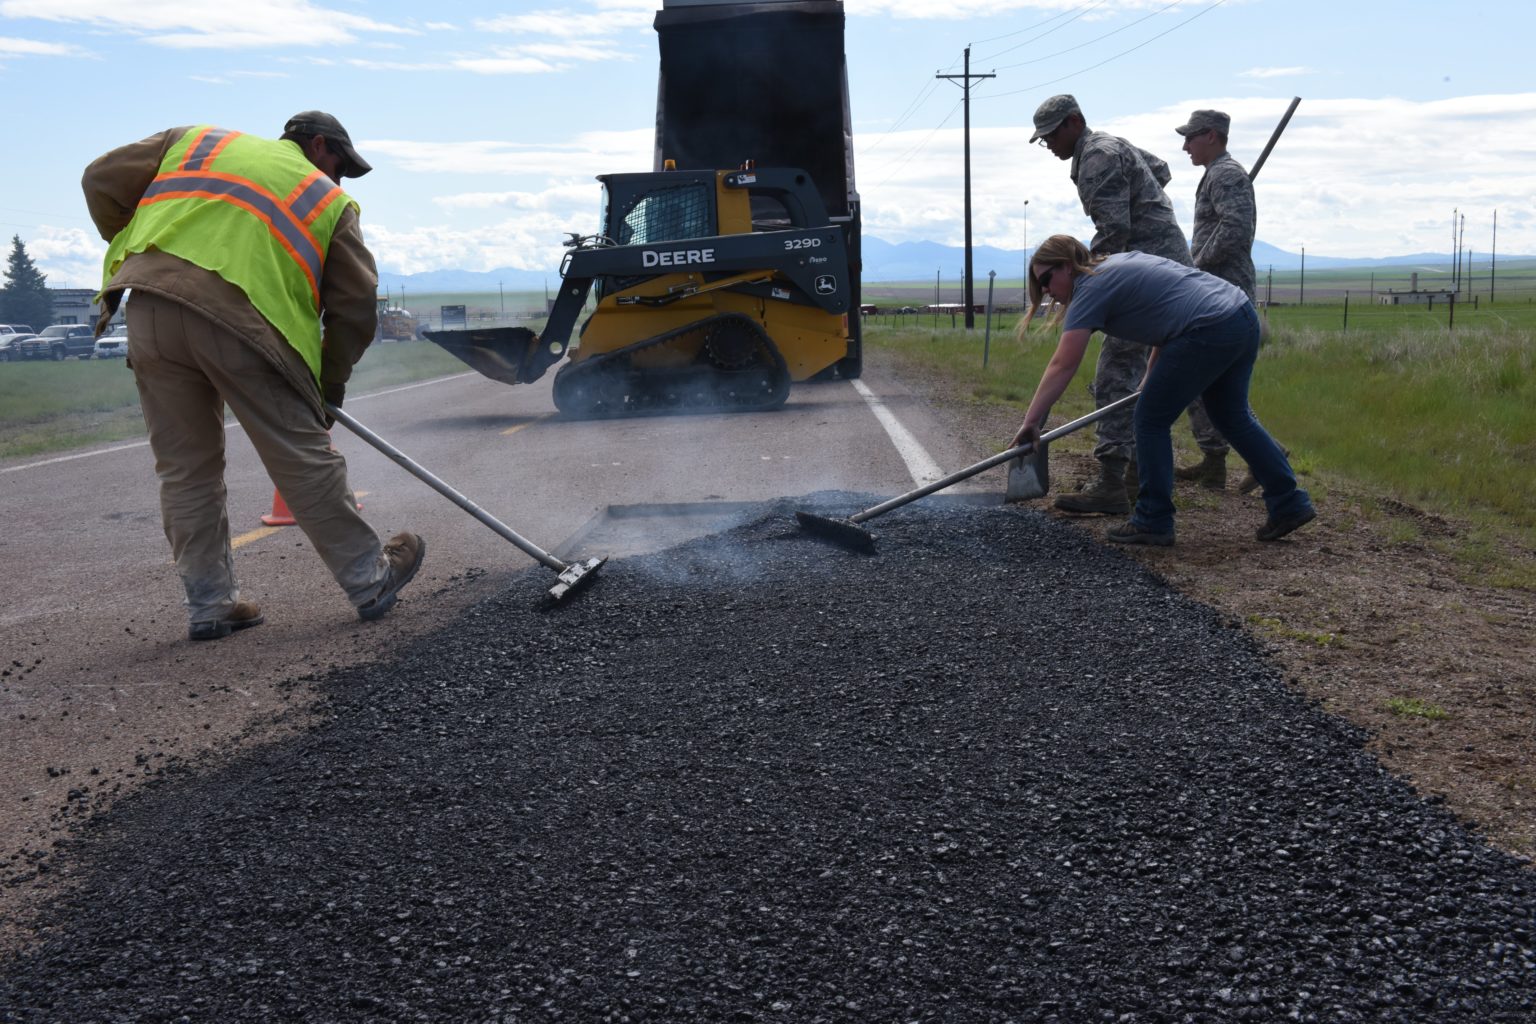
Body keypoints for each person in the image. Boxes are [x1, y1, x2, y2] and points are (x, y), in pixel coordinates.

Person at [82, 112, 425, 641]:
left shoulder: (193, 142)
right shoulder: (327, 200)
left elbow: (99, 178)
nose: (339, 180)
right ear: (317, 145)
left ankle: (211, 605)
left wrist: (138, 246)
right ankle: (369, 579)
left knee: (185, 469)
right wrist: (327, 387)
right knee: (301, 456)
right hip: (242, 319)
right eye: (340, 165)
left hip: (150, 311)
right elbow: (354, 308)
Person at [1012, 234, 1315, 546]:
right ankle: (1288, 502)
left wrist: (1032, 422)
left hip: (1209, 325)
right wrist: (1149, 380)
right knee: (1231, 417)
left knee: (1150, 421)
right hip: (1239, 315)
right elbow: (1164, 321)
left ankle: (1153, 519)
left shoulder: (1089, 286)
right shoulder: (1114, 266)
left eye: (1047, 280)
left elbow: (1063, 364)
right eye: (1041, 286)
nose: (1047, 291)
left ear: (1066, 266)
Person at [1029, 93, 1227, 513]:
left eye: (1051, 135)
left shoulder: (1097, 155)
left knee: (1115, 376)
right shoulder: (1108, 146)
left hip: (1144, 284)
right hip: (1159, 271)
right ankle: (1137, 473)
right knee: (1151, 380)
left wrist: (1087, 288)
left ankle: (1113, 482)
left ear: (1074, 122)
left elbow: (1113, 231)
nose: (1049, 145)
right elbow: (1161, 170)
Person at [1172, 108, 1258, 490]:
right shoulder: (1217, 174)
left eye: (1190, 137)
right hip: (1214, 291)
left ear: (1211, 135)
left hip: (1223, 294)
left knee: (1208, 383)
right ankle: (1217, 461)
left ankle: (1255, 457)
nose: (1185, 145)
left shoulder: (1225, 174)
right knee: (1211, 386)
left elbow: (1236, 229)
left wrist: (1197, 266)